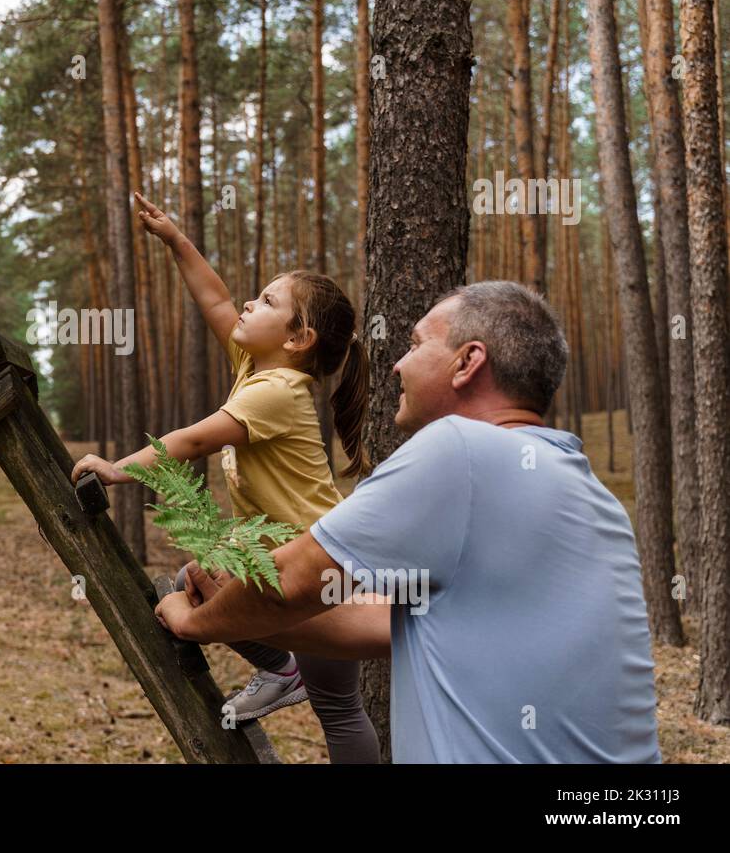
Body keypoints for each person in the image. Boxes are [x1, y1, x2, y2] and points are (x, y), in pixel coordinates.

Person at [155, 281, 663, 763]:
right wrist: (234, 603)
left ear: (468, 363)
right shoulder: (594, 498)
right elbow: (382, 624)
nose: (396, 365)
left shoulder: (460, 449)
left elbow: (288, 583)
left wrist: (192, 621)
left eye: (416, 346)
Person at [71, 190, 380, 763]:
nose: (246, 302)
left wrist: (117, 470)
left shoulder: (277, 391)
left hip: (311, 562)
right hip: (289, 553)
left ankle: (284, 673)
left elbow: (194, 440)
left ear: (297, 338)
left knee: (338, 708)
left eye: (265, 300)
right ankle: (285, 673)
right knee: (201, 582)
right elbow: (215, 301)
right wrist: (176, 239)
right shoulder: (258, 368)